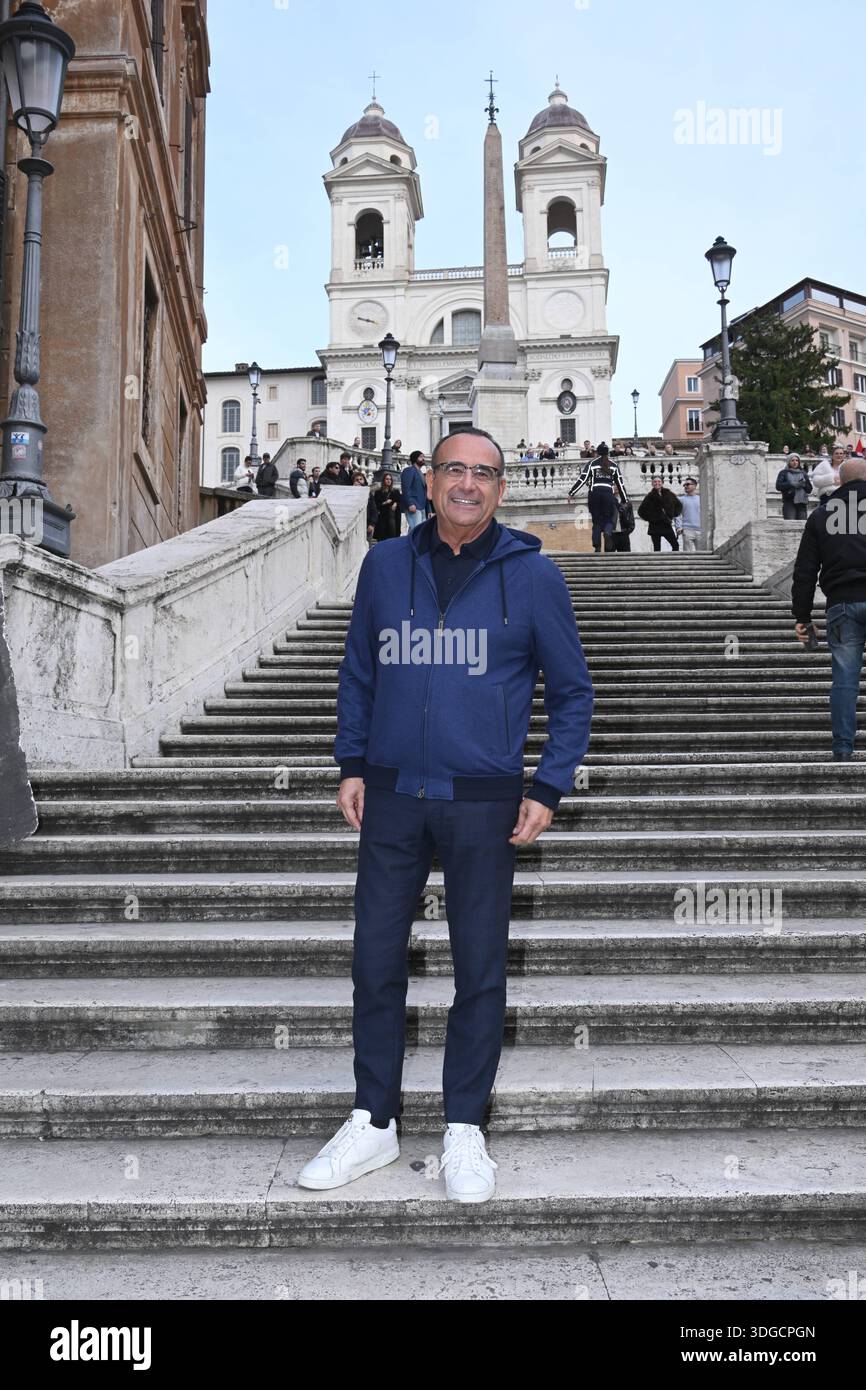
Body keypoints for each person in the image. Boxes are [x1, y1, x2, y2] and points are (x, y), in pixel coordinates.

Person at [297, 425, 593, 1203]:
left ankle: (465, 1127)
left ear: (502, 488)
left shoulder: (533, 578)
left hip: (484, 803)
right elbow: (359, 671)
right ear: (426, 482)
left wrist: (548, 785)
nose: (467, 484)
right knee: (374, 961)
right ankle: (374, 1120)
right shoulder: (385, 565)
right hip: (391, 796)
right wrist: (352, 763)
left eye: (484, 474)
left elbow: (571, 695)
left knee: (480, 971)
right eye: (453, 469)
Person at [792, 458, 866, 760]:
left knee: (845, 680)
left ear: (838, 481)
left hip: (842, 603)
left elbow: (805, 571)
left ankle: (843, 748)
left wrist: (802, 617)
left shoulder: (821, 515)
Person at [568, 442, 628, 554]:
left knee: (596, 521)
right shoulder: (613, 465)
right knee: (609, 519)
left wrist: (572, 492)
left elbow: (582, 479)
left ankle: (597, 547)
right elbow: (620, 484)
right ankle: (608, 533)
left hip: (594, 493)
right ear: (608, 453)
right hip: (608, 494)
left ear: (597, 452)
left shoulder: (592, 463)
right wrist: (625, 500)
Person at [638, 475, 682, 551]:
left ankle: (673, 562)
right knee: (657, 548)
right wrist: (651, 518)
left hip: (666, 524)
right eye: (655, 482)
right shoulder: (649, 496)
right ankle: (657, 563)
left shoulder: (669, 494)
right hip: (655, 525)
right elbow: (641, 511)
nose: (657, 483)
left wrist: (672, 514)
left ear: (662, 483)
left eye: (659, 481)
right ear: (652, 483)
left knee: (675, 545)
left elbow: (678, 505)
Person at [775, 453, 812, 520]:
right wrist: (791, 484)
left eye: (796, 460)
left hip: (802, 503)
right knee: (790, 524)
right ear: (789, 462)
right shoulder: (784, 472)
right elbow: (778, 486)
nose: (795, 462)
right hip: (789, 502)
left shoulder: (803, 473)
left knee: (802, 525)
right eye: (792, 460)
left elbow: (809, 489)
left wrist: (803, 484)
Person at [369, 471, 402, 540]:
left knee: (392, 536)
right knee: (382, 537)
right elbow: (375, 505)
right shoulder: (378, 492)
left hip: (393, 518)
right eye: (387, 479)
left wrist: (396, 503)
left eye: (390, 479)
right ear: (383, 480)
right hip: (382, 518)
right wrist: (385, 503)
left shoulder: (395, 492)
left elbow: (400, 501)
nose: (388, 481)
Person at [400, 450, 427, 530]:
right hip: (413, 504)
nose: (423, 459)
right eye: (421, 457)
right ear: (415, 458)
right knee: (417, 530)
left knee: (418, 531)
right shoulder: (409, 470)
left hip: (421, 506)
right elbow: (406, 488)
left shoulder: (421, 473)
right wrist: (410, 503)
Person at [679, 477, 702, 551]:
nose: (685, 486)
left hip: (700, 530)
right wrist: (678, 527)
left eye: (687, 484)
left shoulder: (701, 499)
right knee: (687, 555)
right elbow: (677, 514)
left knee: (702, 554)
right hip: (687, 529)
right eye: (684, 485)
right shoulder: (681, 500)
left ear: (695, 486)